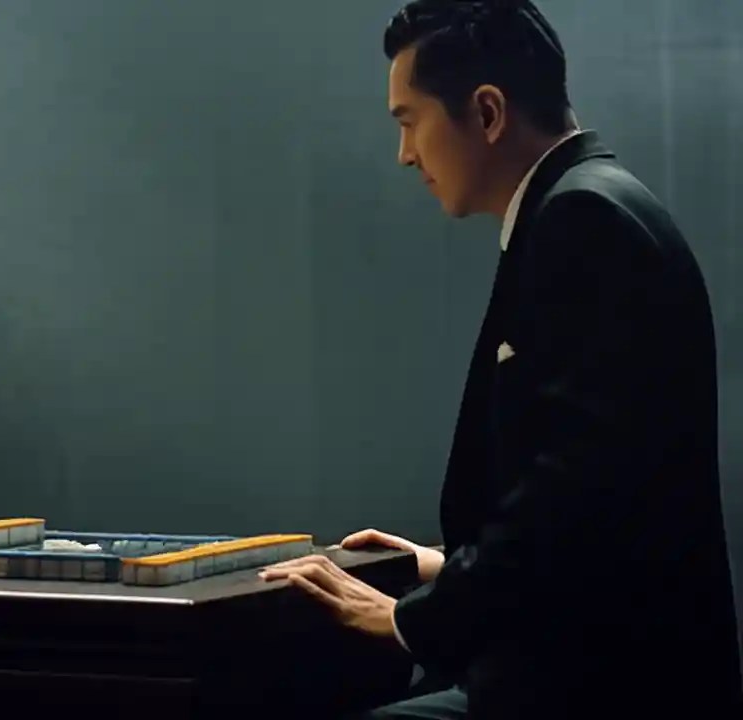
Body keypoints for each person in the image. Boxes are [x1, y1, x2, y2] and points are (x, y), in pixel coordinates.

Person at [261, 1, 741, 718]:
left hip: (603, 691)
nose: (405, 154)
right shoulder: (585, 204)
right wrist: (448, 569)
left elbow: (572, 497)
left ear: (486, 113)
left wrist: (410, 618)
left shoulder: (584, 220)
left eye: (408, 121)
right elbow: (591, 492)